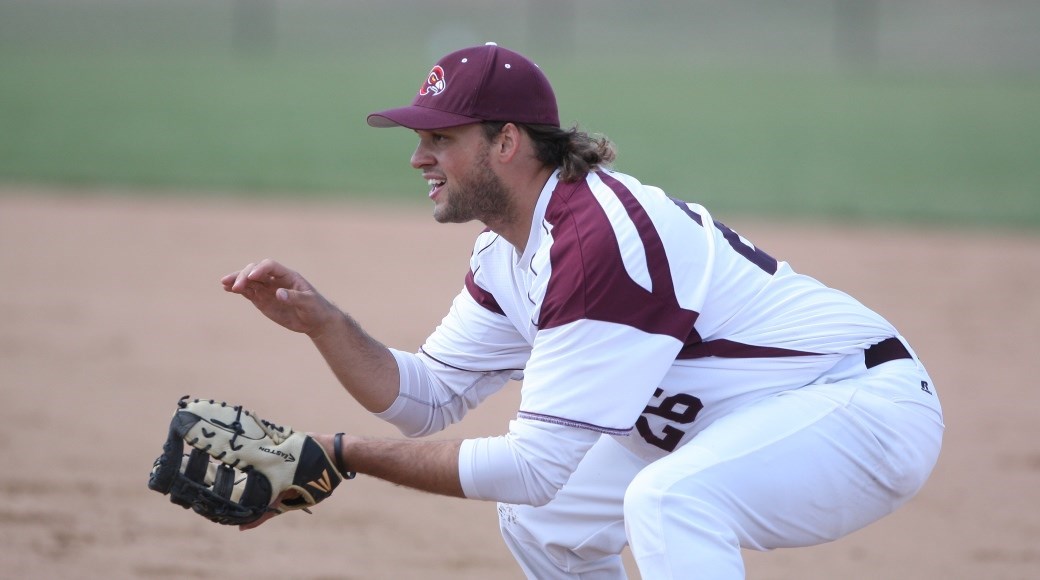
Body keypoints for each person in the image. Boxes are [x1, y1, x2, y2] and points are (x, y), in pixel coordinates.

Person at [222, 42, 945, 578]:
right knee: (548, 521)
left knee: (669, 499)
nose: (419, 157)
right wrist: (326, 324)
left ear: (507, 142)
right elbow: (425, 399)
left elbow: (533, 463)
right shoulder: (507, 251)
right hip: (735, 420)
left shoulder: (598, 238)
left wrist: (344, 455)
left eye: (440, 138)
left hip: (856, 409)